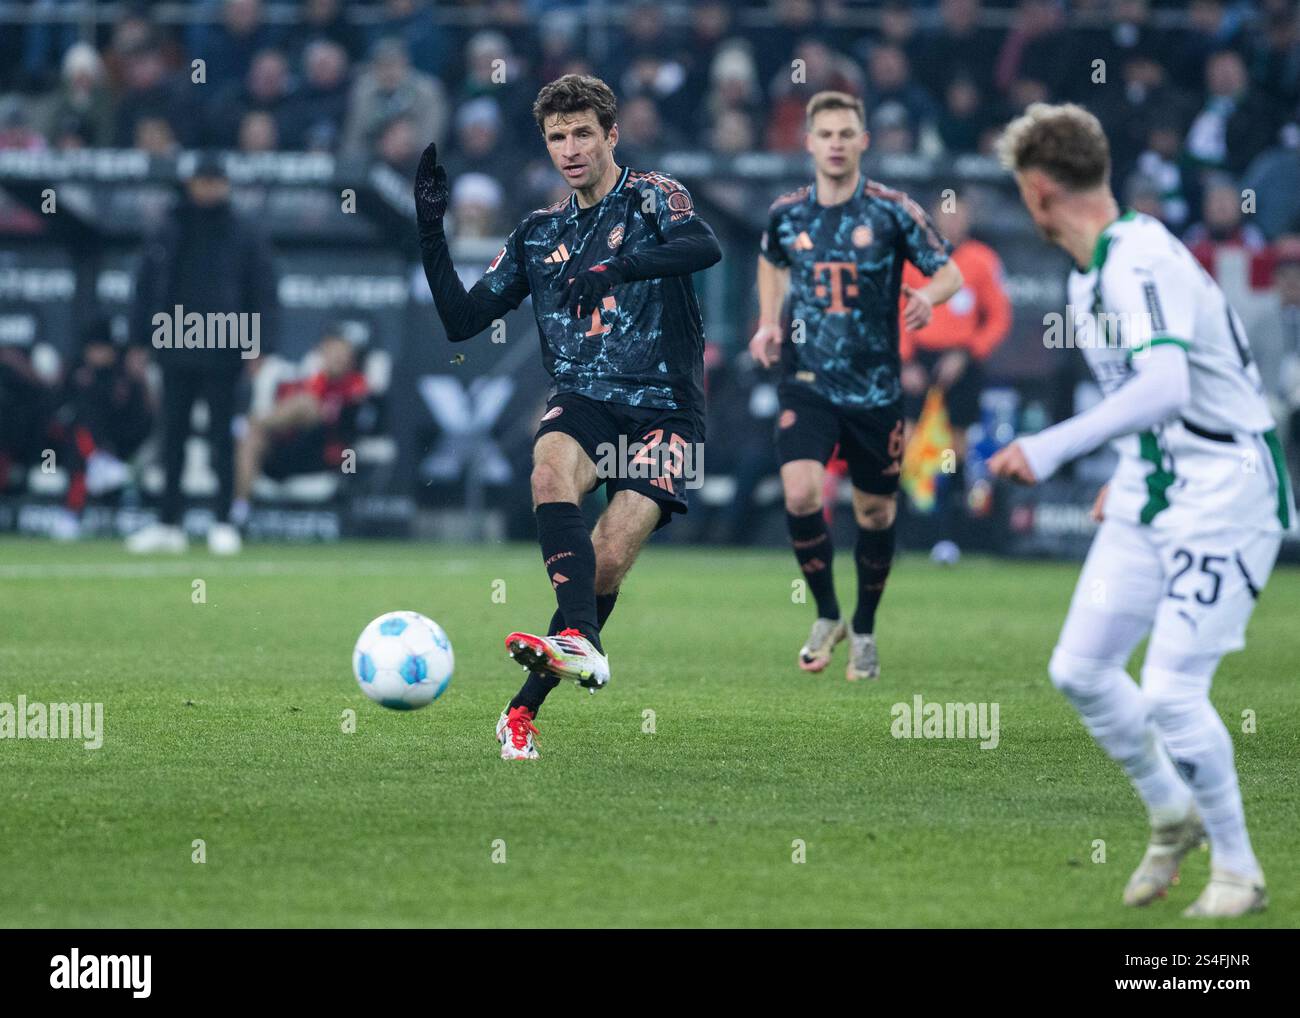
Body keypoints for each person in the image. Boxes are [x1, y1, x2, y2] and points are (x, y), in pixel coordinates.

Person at [990, 103, 1293, 918]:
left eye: (1022, 188)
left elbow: (1167, 386)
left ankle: (1238, 871)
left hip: (1226, 489)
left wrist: (1050, 449)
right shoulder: (1092, 270)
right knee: (1080, 670)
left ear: (1040, 189)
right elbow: (1147, 401)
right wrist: (1127, 465)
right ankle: (1172, 814)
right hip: (1155, 483)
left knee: (1170, 689)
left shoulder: (1138, 260)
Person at [416, 74, 721, 760]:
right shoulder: (538, 233)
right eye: (557, 136)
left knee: (608, 557)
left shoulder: (653, 195)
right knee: (548, 469)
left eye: (584, 132)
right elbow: (463, 321)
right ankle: (580, 639)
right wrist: (429, 232)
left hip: (666, 407)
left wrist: (617, 269)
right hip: (584, 396)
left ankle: (523, 709)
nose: (571, 148)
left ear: (612, 135)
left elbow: (705, 248)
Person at [749, 91, 962, 681]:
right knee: (800, 493)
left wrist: (926, 296)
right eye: (827, 134)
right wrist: (769, 322)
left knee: (873, 512)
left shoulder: (892, 211)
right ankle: (827, 614)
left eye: (847, 134)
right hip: (808, 381)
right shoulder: (787, 214)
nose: (837, 144)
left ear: (863, 142)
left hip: (873, 390)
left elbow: (949, 271)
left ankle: (864, 627)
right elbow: (770, 260)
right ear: (809, 142)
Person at [126, 152, 277, 555]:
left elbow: (262, 291)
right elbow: (146, 286)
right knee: (170, 435)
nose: (208, 187)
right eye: (201, 180)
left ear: (225, 184)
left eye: (215, 180)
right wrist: (139, 340)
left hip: (223, 346)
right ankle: (167, 522)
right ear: (190, 183)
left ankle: (223, 521)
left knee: (220, 438)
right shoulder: (168, 227)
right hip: (174, 343)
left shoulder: (244, 231)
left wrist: (258, 345)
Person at [900, 193, 1012, 562]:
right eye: (944, 216)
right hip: (919, 359)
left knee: (954, 451)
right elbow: (894, 310)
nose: (951, 223)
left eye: (957, 216)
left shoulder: (982, 260)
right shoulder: (912, 258)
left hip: (961, 364)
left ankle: (950, 537)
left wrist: (969, 353)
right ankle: (901, 535)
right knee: (907, 447)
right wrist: (905, 361)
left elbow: (998, 318)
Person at [231, 328, 367, 529]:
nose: (337, 359)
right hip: (289, 450)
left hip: (327, 454)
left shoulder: (355, 385)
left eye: (342, 354)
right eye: (332, 353)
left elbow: (348, 416)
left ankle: (246, 424)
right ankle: (237, 513)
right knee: (251, 440)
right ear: (321, 354)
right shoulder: (309, 379)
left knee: (306, 403)